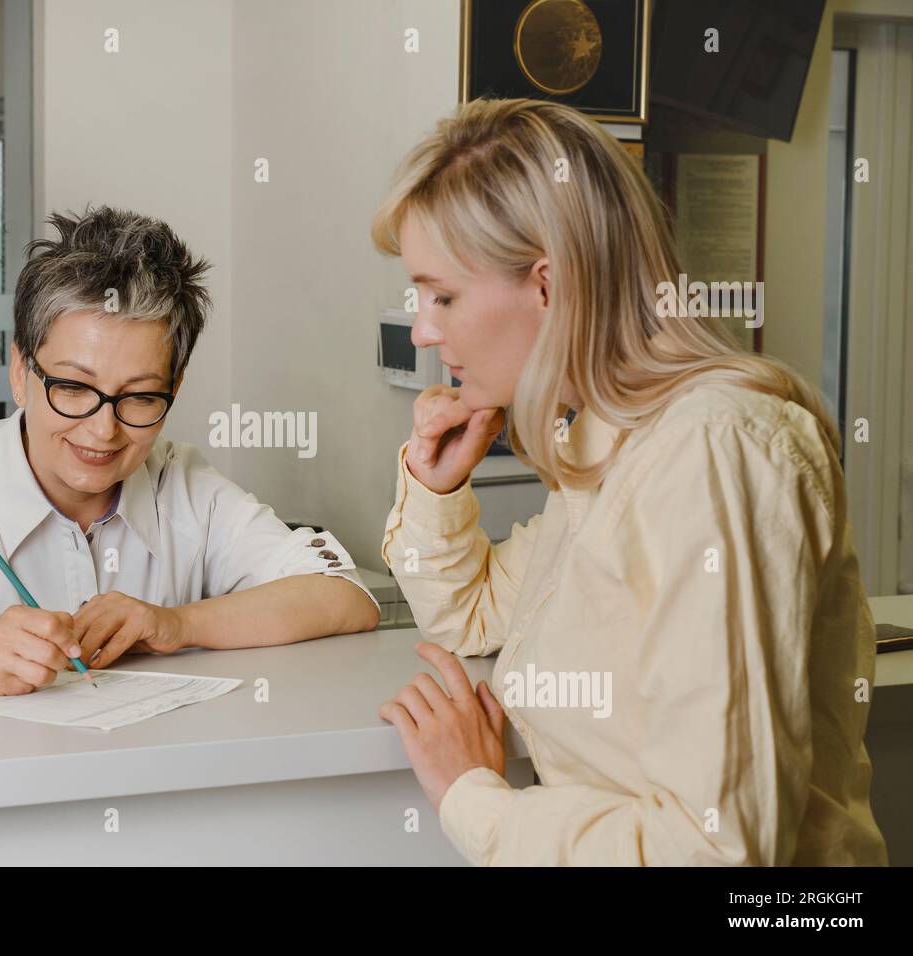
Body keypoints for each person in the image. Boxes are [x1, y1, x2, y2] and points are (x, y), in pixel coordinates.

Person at [374, 98, 887, 865]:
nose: (422, 329)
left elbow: (718, 849)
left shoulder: (712, 453)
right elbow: (473, 618)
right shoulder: (606, 448)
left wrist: (473, 799)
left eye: (442, 295)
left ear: (548, 288)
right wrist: (436, 489)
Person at [0, 206, 380, 692]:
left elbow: (343, 594)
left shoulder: (180, 481)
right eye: (74, 388)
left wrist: (178, 624)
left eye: (140, 396)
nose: (103, 431)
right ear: (21, 372)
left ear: (174, 387)